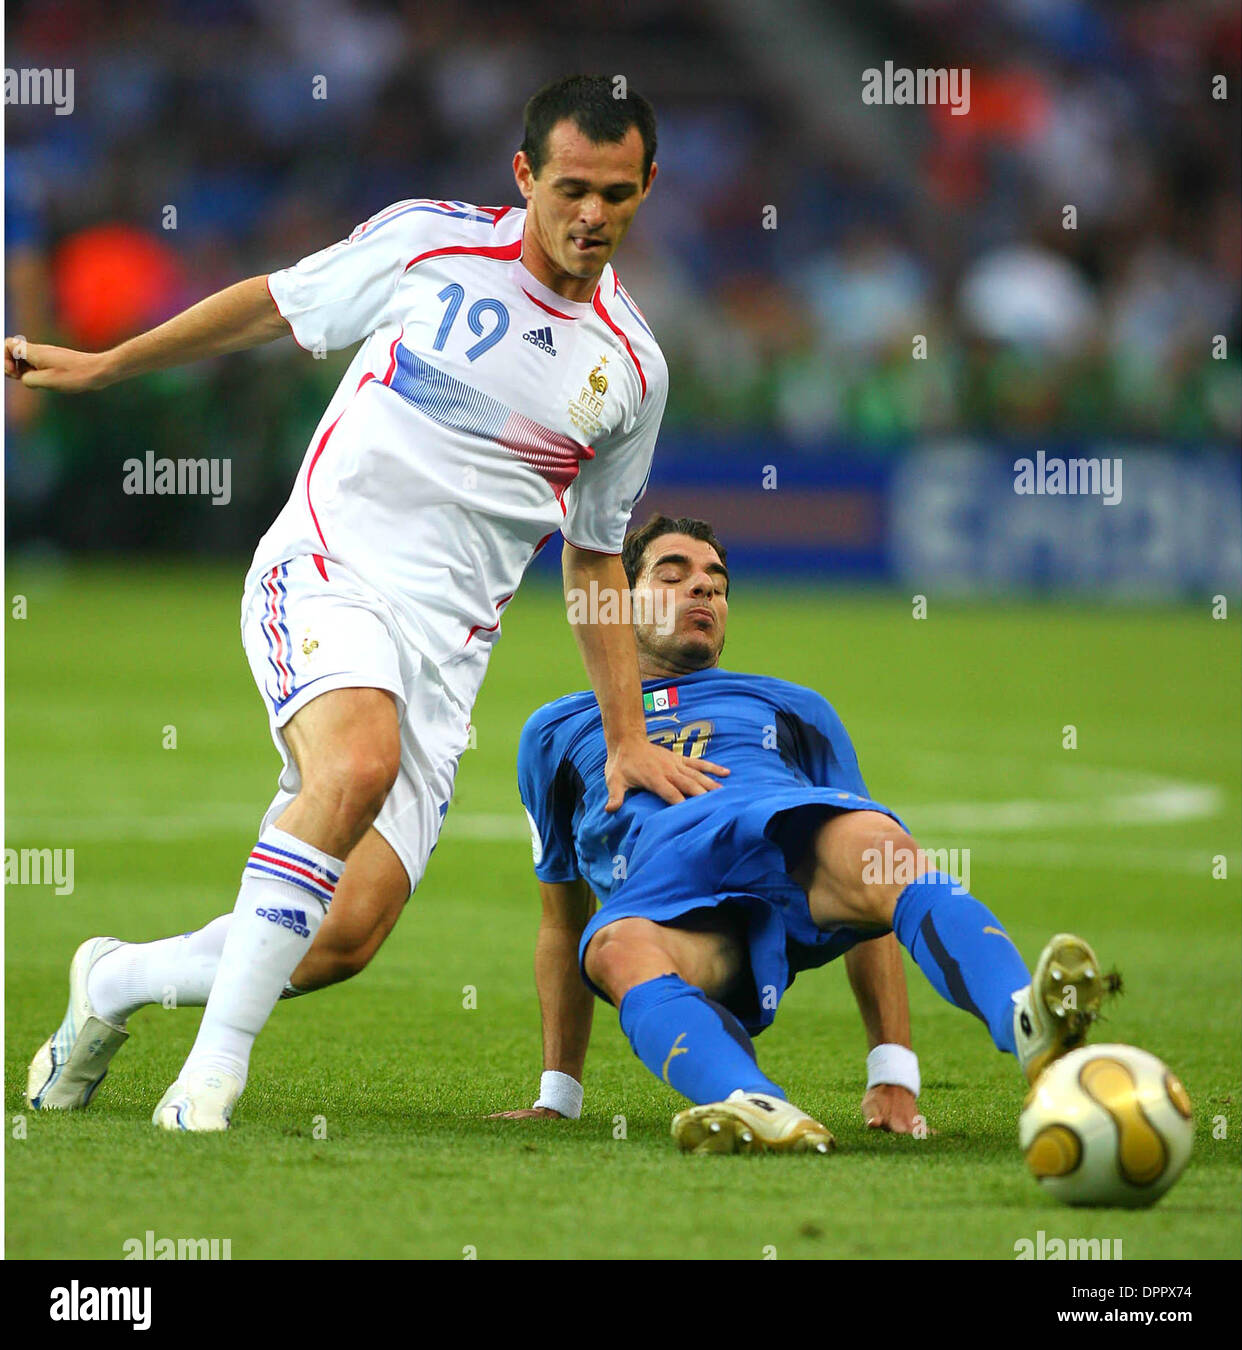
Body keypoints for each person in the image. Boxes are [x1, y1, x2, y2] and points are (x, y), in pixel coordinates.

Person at [13, 75, 729, 1132]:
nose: (592, 216)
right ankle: (209, 1080)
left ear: (648, 187)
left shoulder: (632, 369)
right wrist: (115, 364)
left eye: (617, 195)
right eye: (571, 187)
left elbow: (594, 558)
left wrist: (626, 736)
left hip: (444, 656)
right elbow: (278, 301)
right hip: (326, 568)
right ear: (524, 175)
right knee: (354, 761)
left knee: (342, 935)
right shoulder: (427, 245)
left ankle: (112, 981)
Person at [507, 514, 1116, 1152]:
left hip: (785, 846)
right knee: (614, 950)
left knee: (883, 852)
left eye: (717, 583)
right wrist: (558, 1095)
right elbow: (561, 919)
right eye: (674, 574)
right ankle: (753, 1102)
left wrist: (893, 1073)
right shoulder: (555, 732)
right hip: (670, 896)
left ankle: (1025, 1020)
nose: (703, 591)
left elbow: (873, 911)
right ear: (618, 599)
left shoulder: (791, 706)